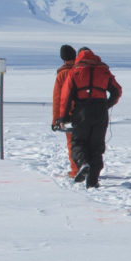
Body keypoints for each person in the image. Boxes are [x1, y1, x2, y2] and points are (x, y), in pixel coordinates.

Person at [52, 46, 122, 187]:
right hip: (100, 112)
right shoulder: (103, 70)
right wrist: (106, 105)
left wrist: (62, 118)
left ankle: (83, 164)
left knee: (78, 143)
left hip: (82, 111)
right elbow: (117, 91)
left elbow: (65, 97)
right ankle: (92, 182)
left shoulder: (75, 71)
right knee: (96, 146)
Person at [51, 45, 79, 179]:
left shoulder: (62, 74)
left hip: (68, 115)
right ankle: (89, 168)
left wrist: (55, 119)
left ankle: (75, 170)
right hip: (85, 112)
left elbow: (57, 98)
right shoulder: (81, 70)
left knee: (72, 143)